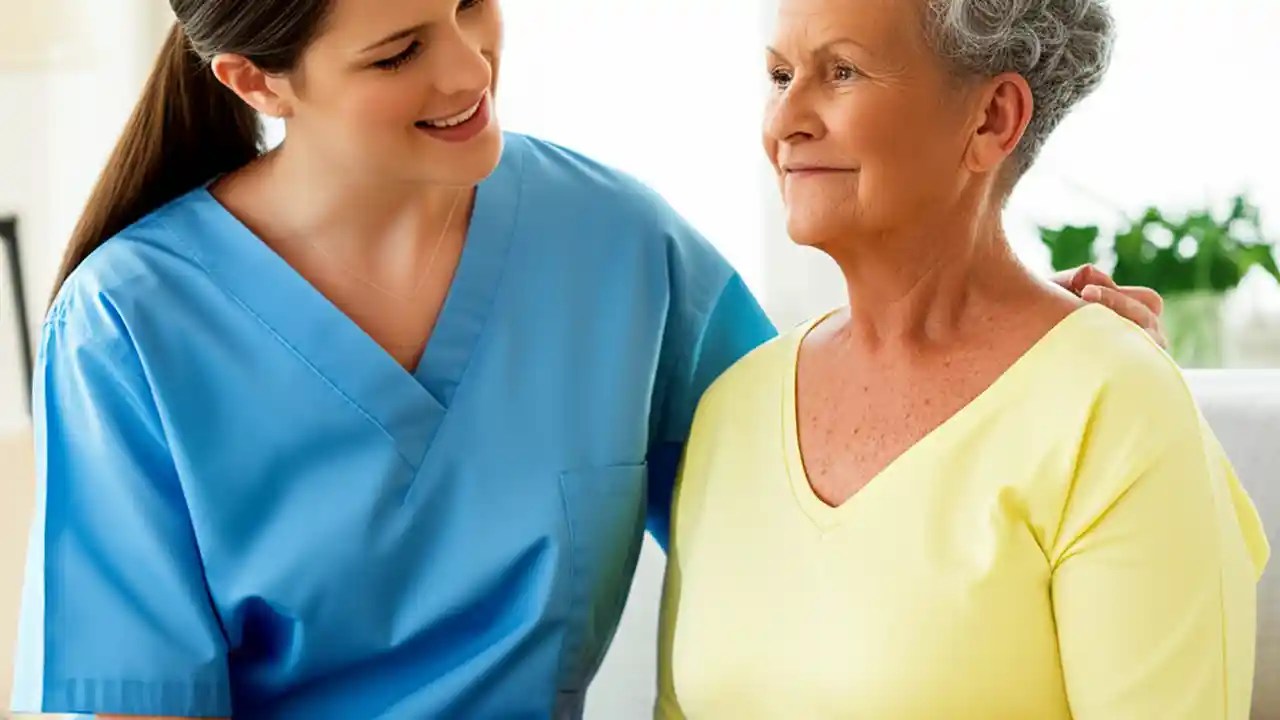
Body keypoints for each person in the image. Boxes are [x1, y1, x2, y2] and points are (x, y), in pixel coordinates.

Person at [11, 0, 1165, 718]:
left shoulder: (616, 246)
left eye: (471, 5)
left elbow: (835, 487)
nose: (468, 70)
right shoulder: (132, 326)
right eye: (400, 49)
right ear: (256, 81)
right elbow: (135, 705)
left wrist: (1032, 353)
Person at [656, 0, 1271, 717]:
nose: (785, 121)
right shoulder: (735, 406)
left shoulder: (1115, 405)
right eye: (781, 74)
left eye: (842, 72)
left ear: (992, 120)